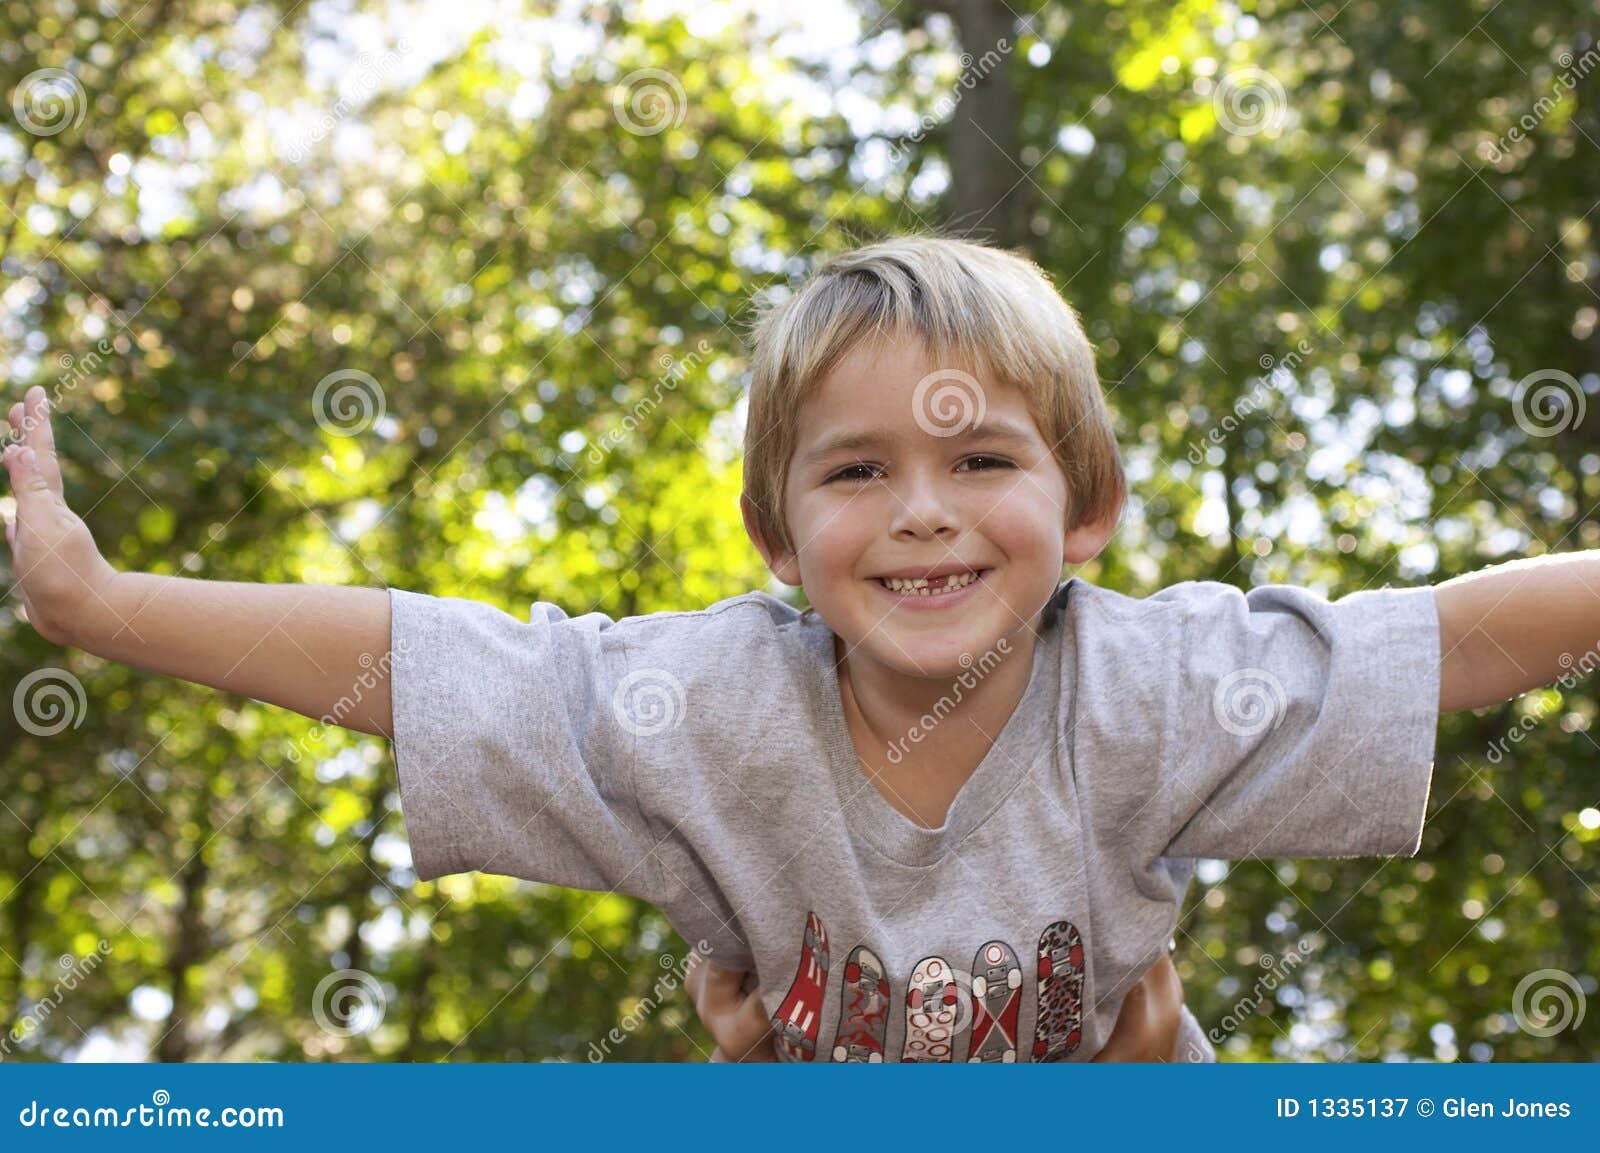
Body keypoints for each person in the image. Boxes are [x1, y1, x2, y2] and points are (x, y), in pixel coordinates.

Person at [4, 235, 1580, 1062]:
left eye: (981, 464)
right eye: (854, 470)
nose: (920, 513)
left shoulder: (1155, 687)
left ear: (1084, 506)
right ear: (777, 538)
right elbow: (429, 662)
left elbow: (1429, 644)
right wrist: (100, 604)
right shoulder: (707, 709)